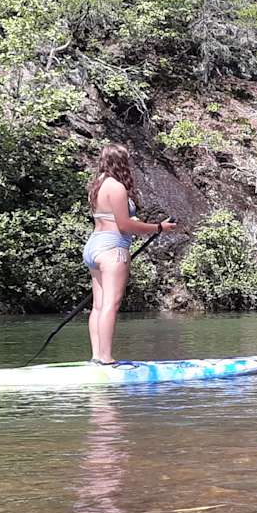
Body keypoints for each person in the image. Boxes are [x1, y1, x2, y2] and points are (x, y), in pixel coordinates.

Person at [84, 144, 176, 364]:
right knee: (110, 305)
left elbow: (112, 218)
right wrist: (159, 228)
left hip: (94, 246)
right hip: (112, 249)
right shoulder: (116, 187)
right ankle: (105, 358)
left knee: (98, 305)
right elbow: (124, 225)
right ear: (120, 161)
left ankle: (97, 356)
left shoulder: (97, 184)